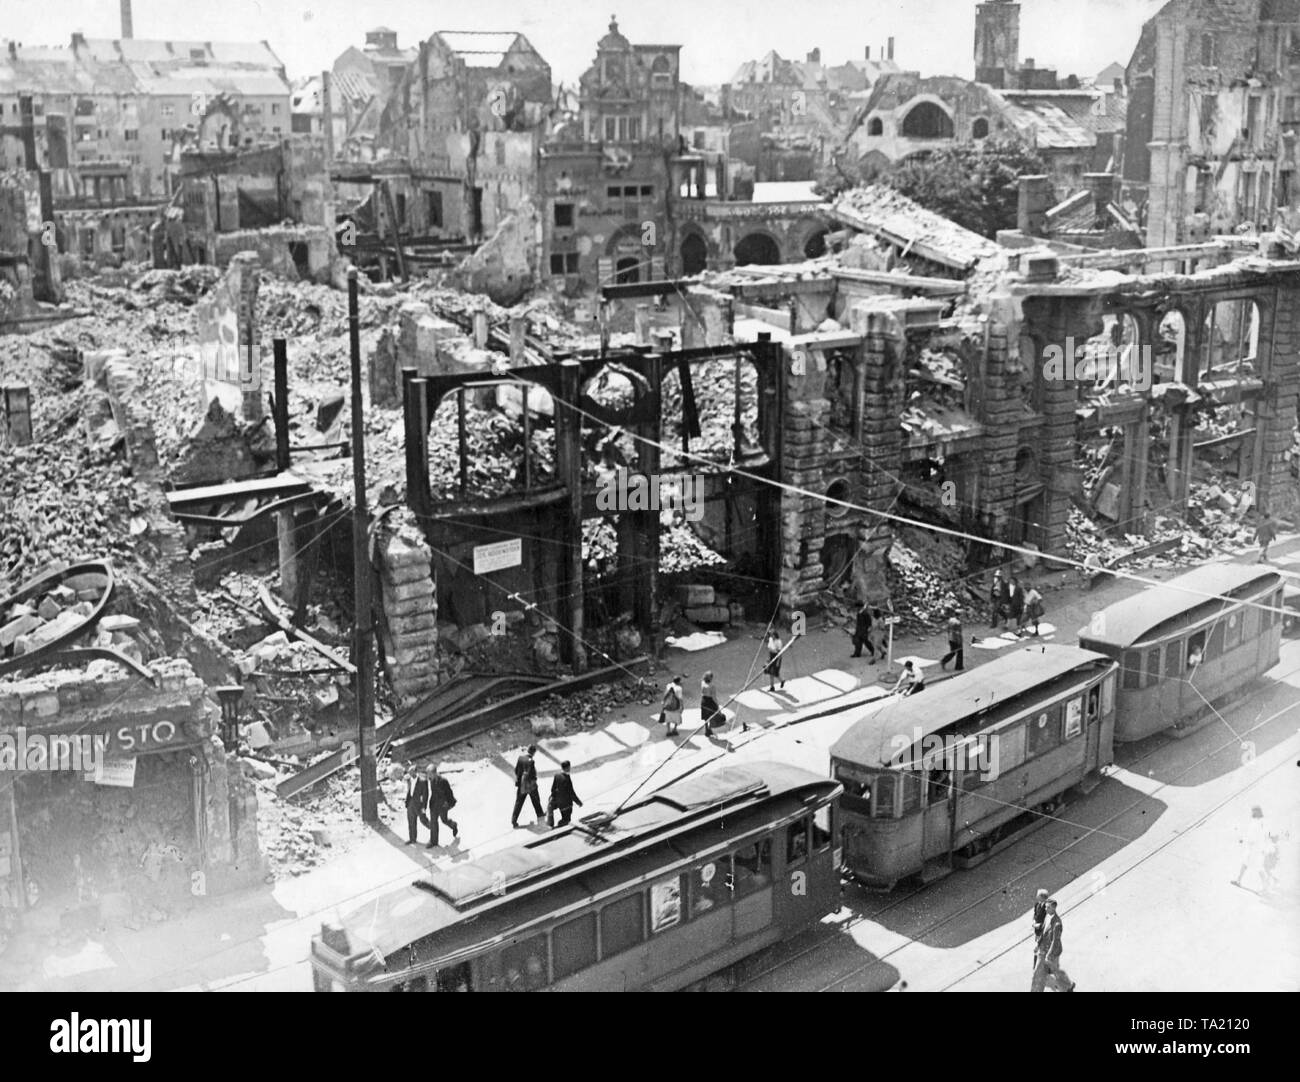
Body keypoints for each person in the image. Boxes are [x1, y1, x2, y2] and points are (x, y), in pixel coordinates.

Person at [1030, 899, 1076, 992]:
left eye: (1048, 907)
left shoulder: (1057, 923)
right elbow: (1044, 932)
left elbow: (1055, 941)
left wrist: (1049, 954)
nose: (1046, 909)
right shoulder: (1047, 918)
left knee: (1048, 973)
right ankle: (1068, 986)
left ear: (1054, 908)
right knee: (1049, 972)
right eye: (1046, 907)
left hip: (1050, 952)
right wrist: (1038, 944)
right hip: (1043, 949)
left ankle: (1068, 986)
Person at [511, 744, 545, 828]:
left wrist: (520, 780)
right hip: (531, 786)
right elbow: (532, 775)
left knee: (519, 803)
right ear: (534, 752)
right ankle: (541, 818)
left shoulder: (520, 758)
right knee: (536, 801)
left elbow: (516, 771)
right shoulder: (531, 761)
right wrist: (535, 779)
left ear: (527, 750)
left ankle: (514, 820)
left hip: (521, 785)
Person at [426, 764, 459, 848]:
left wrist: (448, 803)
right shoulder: (431, 779)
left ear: (434, 773)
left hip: (442, 805)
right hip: (434, 804)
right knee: (433, 822)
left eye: (429, 774)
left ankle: (453, 825)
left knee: (444, 820)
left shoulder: (443, 781)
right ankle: (433, 841)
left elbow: (449, 793)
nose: (428, 776)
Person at [547, 760, 583, 827]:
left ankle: (560, 826)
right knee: (566, 820)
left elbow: (552, 789)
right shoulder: (567, 778)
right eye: (569, 767)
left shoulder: (557, 775)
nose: (570, 768)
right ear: (567, 767)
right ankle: (560, 829)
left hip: (560, 803)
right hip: (567, 804)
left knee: (564, 818)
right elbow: (571, 793)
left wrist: (555, 799)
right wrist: (579, 802)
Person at [403, 765, 430, 846]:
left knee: (424, 821)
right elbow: (409, 790)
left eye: (411, 773)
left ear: (415, 772)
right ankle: (412, 839)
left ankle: (434, 833)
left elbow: (425, 796)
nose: (410, 774)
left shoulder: (423, 781)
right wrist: (407, 802)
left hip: (419, 805)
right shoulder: (409, 779)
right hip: (410, 803)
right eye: (409, 773)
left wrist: (424, 808)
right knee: (411, 822)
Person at [1030, 888, 1049, 971]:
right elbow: (1035, 914)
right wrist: (1034, 921)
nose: (1036, 896)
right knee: (1040, 950)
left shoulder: (1047, 907)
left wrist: (1039, 925)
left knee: (1038, 949)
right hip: (1037, 931)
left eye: (1038, 895)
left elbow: (1048, 920)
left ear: (1042, 897)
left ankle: (1037, 968)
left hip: (1043, 931)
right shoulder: (1037, 904)